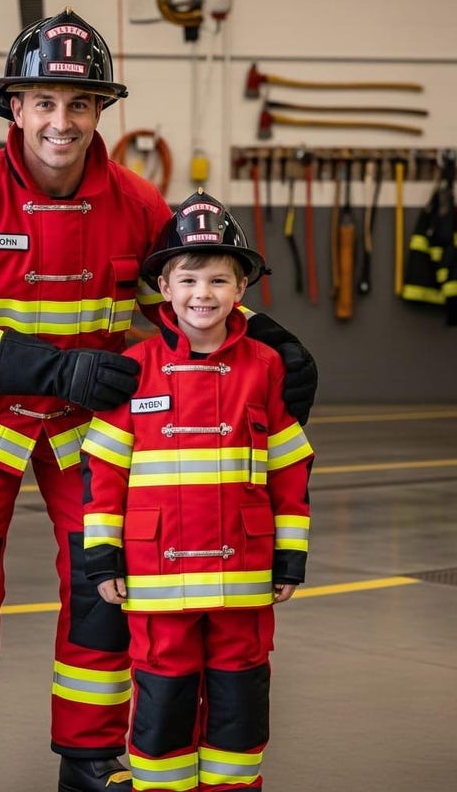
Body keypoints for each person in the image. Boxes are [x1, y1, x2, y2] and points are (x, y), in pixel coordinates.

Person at [0, 8, 317, 792]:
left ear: (101, 111)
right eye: (45, 103)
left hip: (83, 431)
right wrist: (59, 373)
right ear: (14, 108)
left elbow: (185, 291)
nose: (63, 121)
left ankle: (89, 755)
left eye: (81, 103)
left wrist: (270, 342)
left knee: (104, 587)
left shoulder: (134, 201)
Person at [81, 189, 315, 792]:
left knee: (241, 697)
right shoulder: (133, 369)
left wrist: (290, 555)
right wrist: (102, 555)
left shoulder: (267, 367)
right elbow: (103, 469)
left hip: (245, 576)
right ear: (163, 288)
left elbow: (289, 467)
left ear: (242, 291)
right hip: (156, 577)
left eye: (218, 280)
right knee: (161, 701)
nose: (202, 295)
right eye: (187, 279)